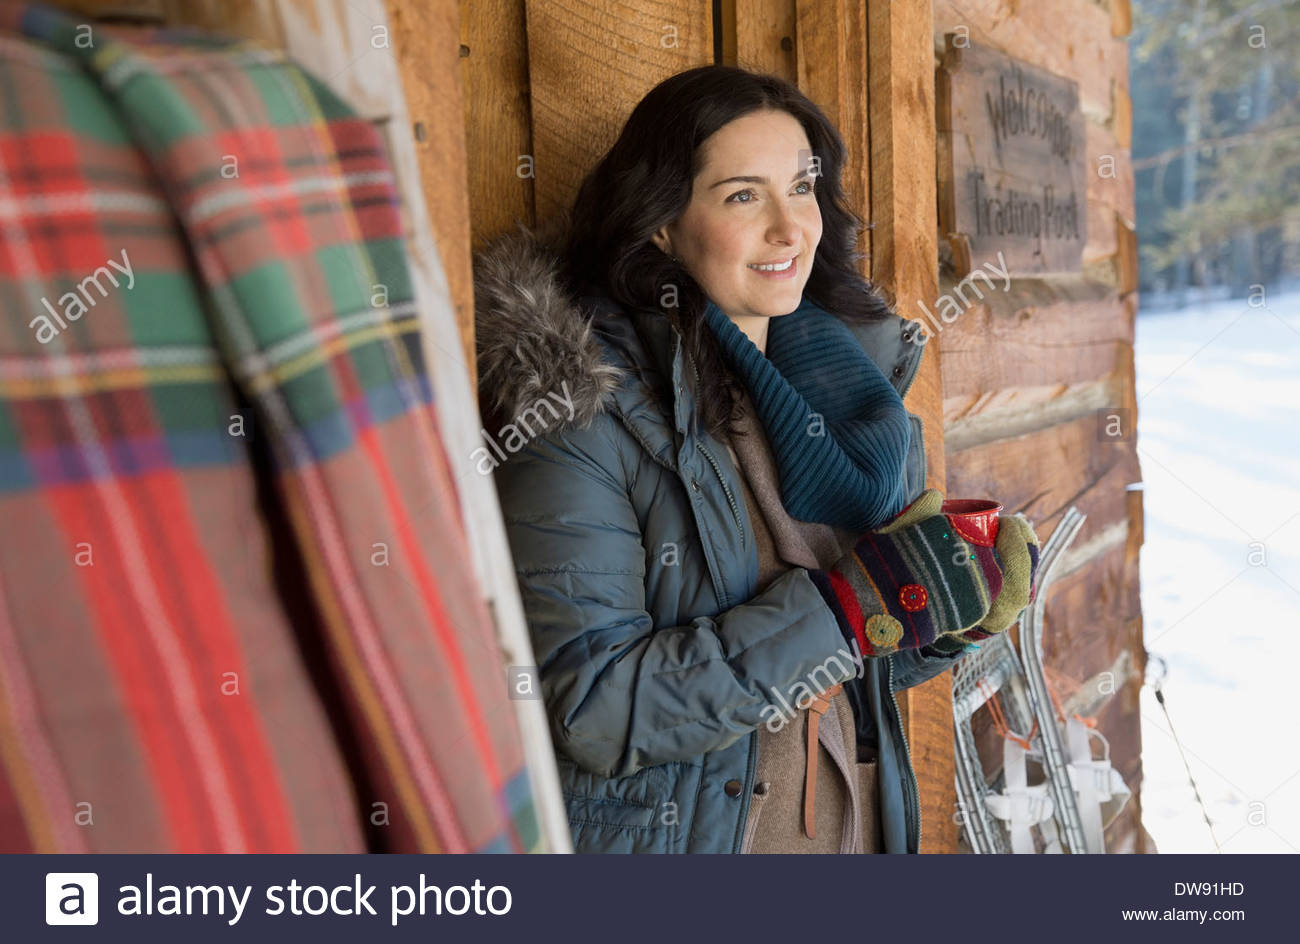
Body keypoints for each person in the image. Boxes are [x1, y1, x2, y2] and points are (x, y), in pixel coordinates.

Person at [472, 65, 1040, 854]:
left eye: (801, 188)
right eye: (743, 195)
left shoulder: (840, 395)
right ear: (662, 223)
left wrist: (935, 619)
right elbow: (595, 710)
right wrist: (851, 606)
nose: (789, 227)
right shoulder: (581, 410)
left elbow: (832, 676)